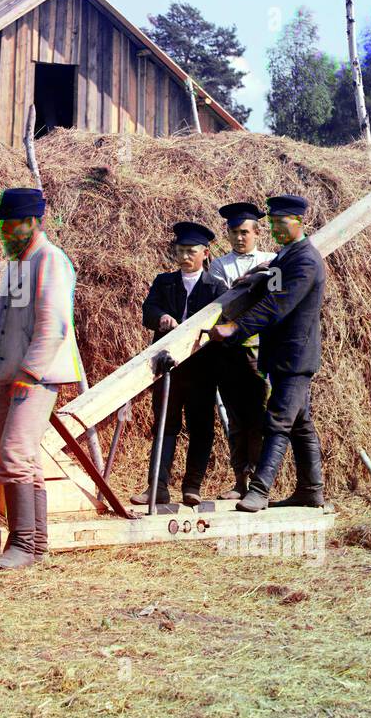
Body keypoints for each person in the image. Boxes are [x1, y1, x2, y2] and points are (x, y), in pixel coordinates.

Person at [0, 187, 81, 570]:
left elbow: (54, 324)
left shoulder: (50, 260)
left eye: (10, 226)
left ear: (30, 223)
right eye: (2, 227)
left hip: (33, 377)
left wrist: (30, 371)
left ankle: (22, 544)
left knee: (14, 455)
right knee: (24, 457)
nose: (4, 233)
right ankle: (36, 545)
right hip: (8, 373)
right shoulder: (16, 267)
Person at [199, 194, 326, 513]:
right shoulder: (287, 255)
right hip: (281, 354)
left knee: (279, 420)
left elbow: (277, 305)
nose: (278, 229)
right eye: (275, 224)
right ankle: (311, 490)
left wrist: (235, 328)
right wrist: (260, 275)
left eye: (283, 224)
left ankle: (258, 490)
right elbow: (275, 279)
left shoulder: (306, 259)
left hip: (295, 357)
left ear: (300, 223)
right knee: (300, 423)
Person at [131, 221, 220, 508]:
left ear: (205, 253)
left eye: (191, 251)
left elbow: (224, 322)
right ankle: (157, 486)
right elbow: (148, 311)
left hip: (202, 368)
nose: (184, 257)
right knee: (165, 425)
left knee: (201, 426)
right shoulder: (163, 282)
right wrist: (161, 318)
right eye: (180, 251)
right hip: (168, 369)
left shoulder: (216, 288)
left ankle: (192, 486)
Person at [202, 202, 275, 499]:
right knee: (236, 418)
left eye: (244, 232)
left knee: (260, 416)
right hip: (229, 350)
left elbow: (278, 298)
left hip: (259, 350)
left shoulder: (273, 260)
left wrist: (259, 277)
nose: (239, 238)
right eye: (233, 233)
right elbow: (223, 304)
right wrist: (245, 285)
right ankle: (239, 482)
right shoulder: (219, 266)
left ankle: (260, 483)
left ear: (256, 233)